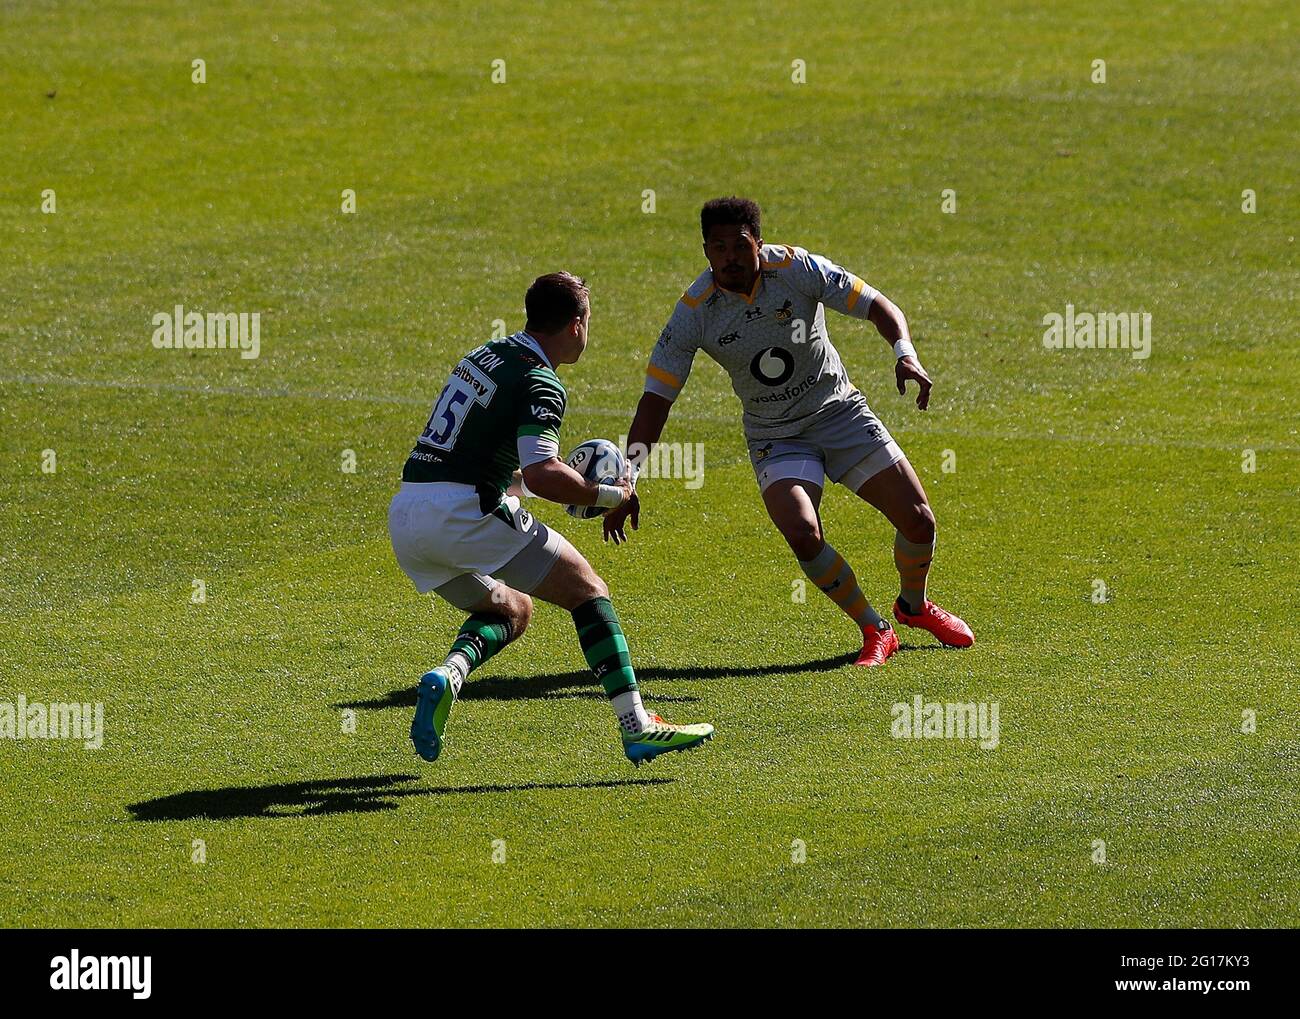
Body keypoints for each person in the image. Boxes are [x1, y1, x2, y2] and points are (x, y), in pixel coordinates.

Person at [604, 198, 973, 666]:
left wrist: (905, 353)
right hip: (776, 435)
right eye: (718, 248)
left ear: (758, 242)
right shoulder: (695, 311)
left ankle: (913, 607)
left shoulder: (798, 268)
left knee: (919, 520)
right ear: (705, 251)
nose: (729, 258)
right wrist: (629, 473)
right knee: (802, 531)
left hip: (840, 414)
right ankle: (875, 627)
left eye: (739, 245)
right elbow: (656, 400)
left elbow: (877, 304)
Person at [388, 272, 714, 764]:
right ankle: (638, 725)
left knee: (511, 610)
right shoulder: (541, 381)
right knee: (588, 590)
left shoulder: (485, 354)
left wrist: (544, 486)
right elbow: (542, 474)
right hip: (463, 513)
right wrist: (609, 494)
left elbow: (482, 457)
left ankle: (448, 675)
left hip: (409, 515)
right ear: (577, 325)